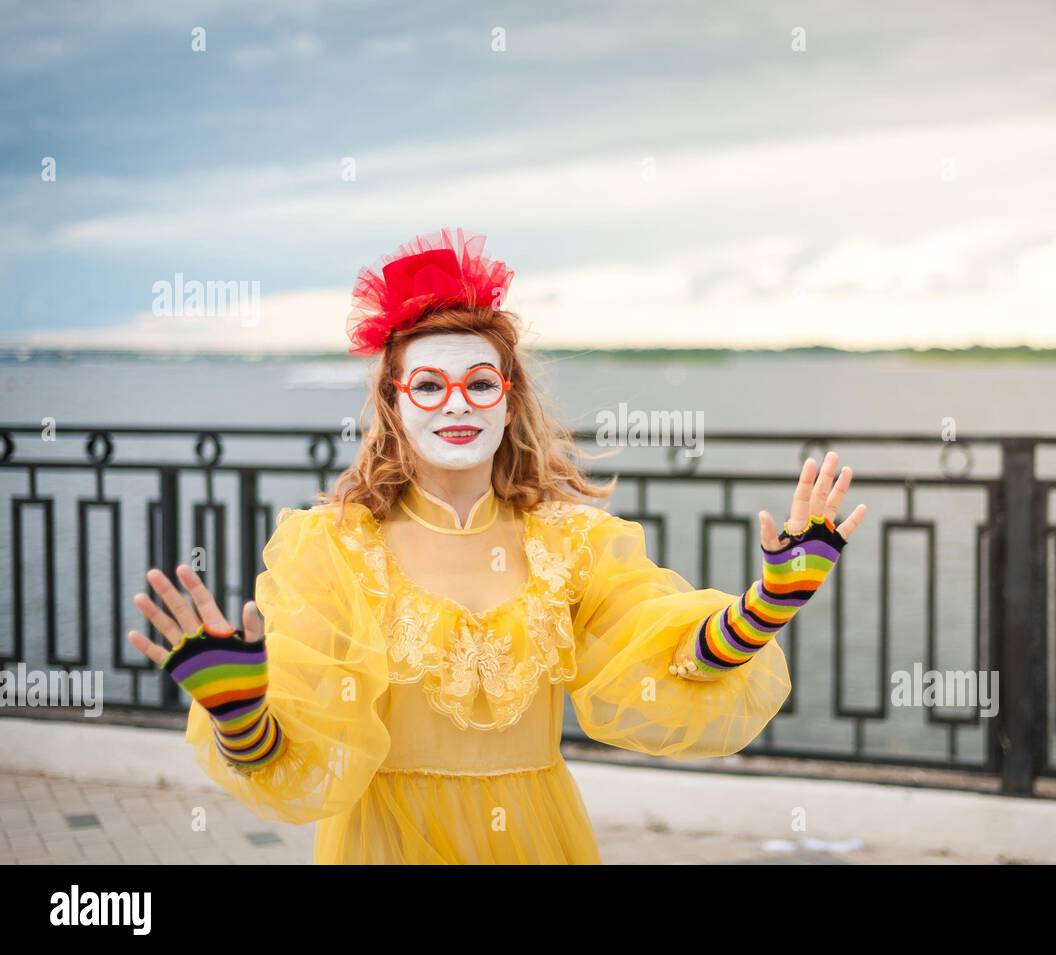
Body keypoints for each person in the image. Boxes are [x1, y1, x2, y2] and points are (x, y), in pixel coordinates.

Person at [126, 227, 867, 864]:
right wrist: (236, 712)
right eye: (428, 384)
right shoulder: (335, 547)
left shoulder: (570, 543)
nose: (456, 402)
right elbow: (292, 751)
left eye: (480, 382)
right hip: (384, 840)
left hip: (537, 837)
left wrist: (769, 603)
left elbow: (670, 662)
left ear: (509, 397)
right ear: (393, 401)